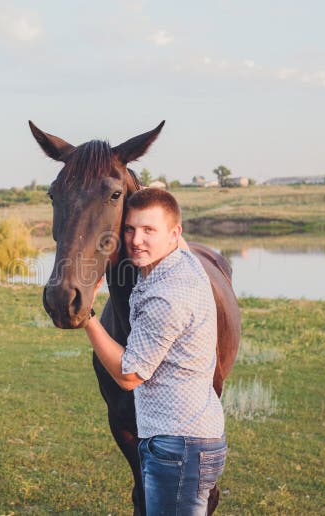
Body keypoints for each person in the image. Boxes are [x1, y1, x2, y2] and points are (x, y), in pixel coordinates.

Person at [84, 187, 226, 515]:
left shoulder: (166, 297)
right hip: (192, 439)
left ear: (174, 234)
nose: (136, 240)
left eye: (149, 230)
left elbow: (130, 375)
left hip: (178, 447)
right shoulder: (186, 263)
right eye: (130, 229)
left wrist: (87, 317)